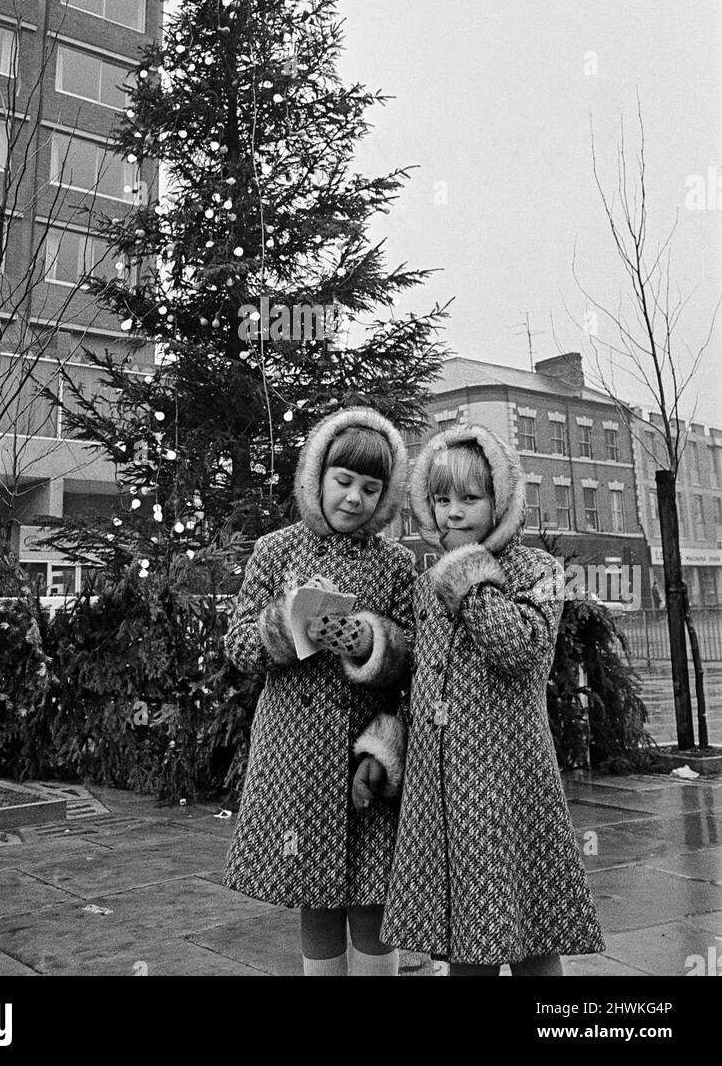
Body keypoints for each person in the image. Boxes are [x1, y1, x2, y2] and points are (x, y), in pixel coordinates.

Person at [355, 422, 605, 976]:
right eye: (441, 500)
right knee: (463, 937)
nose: (452, 513)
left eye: (470, 498)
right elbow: (414, 678)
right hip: (441, 783)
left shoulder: (538, 571)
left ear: (502, 499)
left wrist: (469, 575)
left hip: (507, 780)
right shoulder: (426, 584)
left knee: (530, 926)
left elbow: (518, 650)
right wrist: (383, 747)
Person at [223, 406, 416, 976]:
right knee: (315, 893)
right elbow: (237, 646)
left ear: (385, 496)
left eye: (370, 487)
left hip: (363, 753)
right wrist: (288, 622)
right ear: (317, 476)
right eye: (343, 481)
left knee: (373, 891)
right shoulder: (276, 551)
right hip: (295, 756)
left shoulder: (396, 566)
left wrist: (369, 641)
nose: (354, 498)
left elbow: (414, 665)